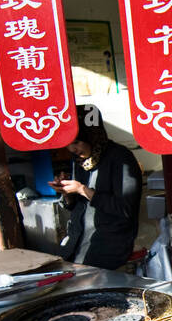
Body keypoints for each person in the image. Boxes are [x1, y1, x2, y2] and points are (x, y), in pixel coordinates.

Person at [53, 109, 143, 269]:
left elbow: (125, 209)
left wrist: (82, 190)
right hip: (77, 242)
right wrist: (67, 193)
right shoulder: (80, 160)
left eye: (77, 142)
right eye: (68, 143)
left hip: (107, 246)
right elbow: (76, 207)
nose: (72, 149)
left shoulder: (120, 158)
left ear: (92, 136)